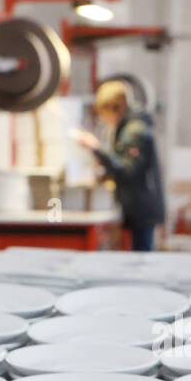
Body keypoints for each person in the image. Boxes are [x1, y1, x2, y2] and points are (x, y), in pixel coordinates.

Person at [72, 80, 165, 252]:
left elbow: (126, 170)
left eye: (102, 114)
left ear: (114, 108)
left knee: (141, 258)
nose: (103, 119)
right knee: (138, 256)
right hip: (139, 208)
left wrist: (96, 148)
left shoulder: (134, 131)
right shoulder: (131, 127)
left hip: (141, 210)